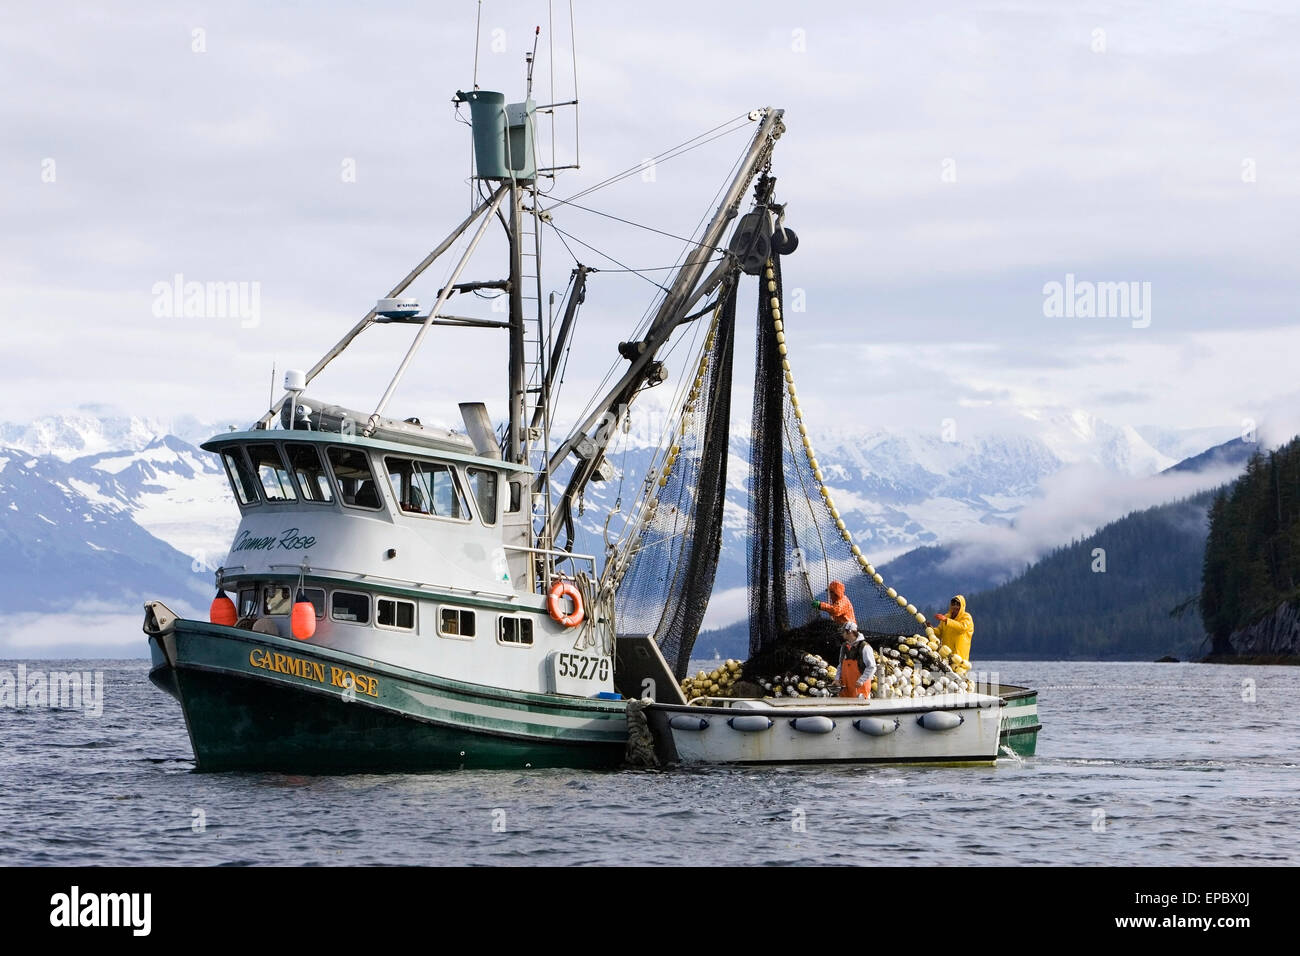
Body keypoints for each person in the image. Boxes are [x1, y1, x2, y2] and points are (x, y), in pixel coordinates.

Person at [838, 622, 876, 699]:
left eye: (844, 632)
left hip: (859, 689)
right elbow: (840, 665)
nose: (842, 634)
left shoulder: (865, 647)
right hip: (846, 689)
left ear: (850, 632)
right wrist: (836, 679)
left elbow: (872, 667)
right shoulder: (844, 646)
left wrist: (861, 680)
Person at [934, 594, 974, 661]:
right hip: (946, 655)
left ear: (962, 606)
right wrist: (930, 628)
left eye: (958, 604)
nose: (955, 606)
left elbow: (962, 628)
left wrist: (946, 620)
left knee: (958, 670)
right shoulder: (946, 616)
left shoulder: (966, 617)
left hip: (959, 657)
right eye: (953, 604)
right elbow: (939, 632)